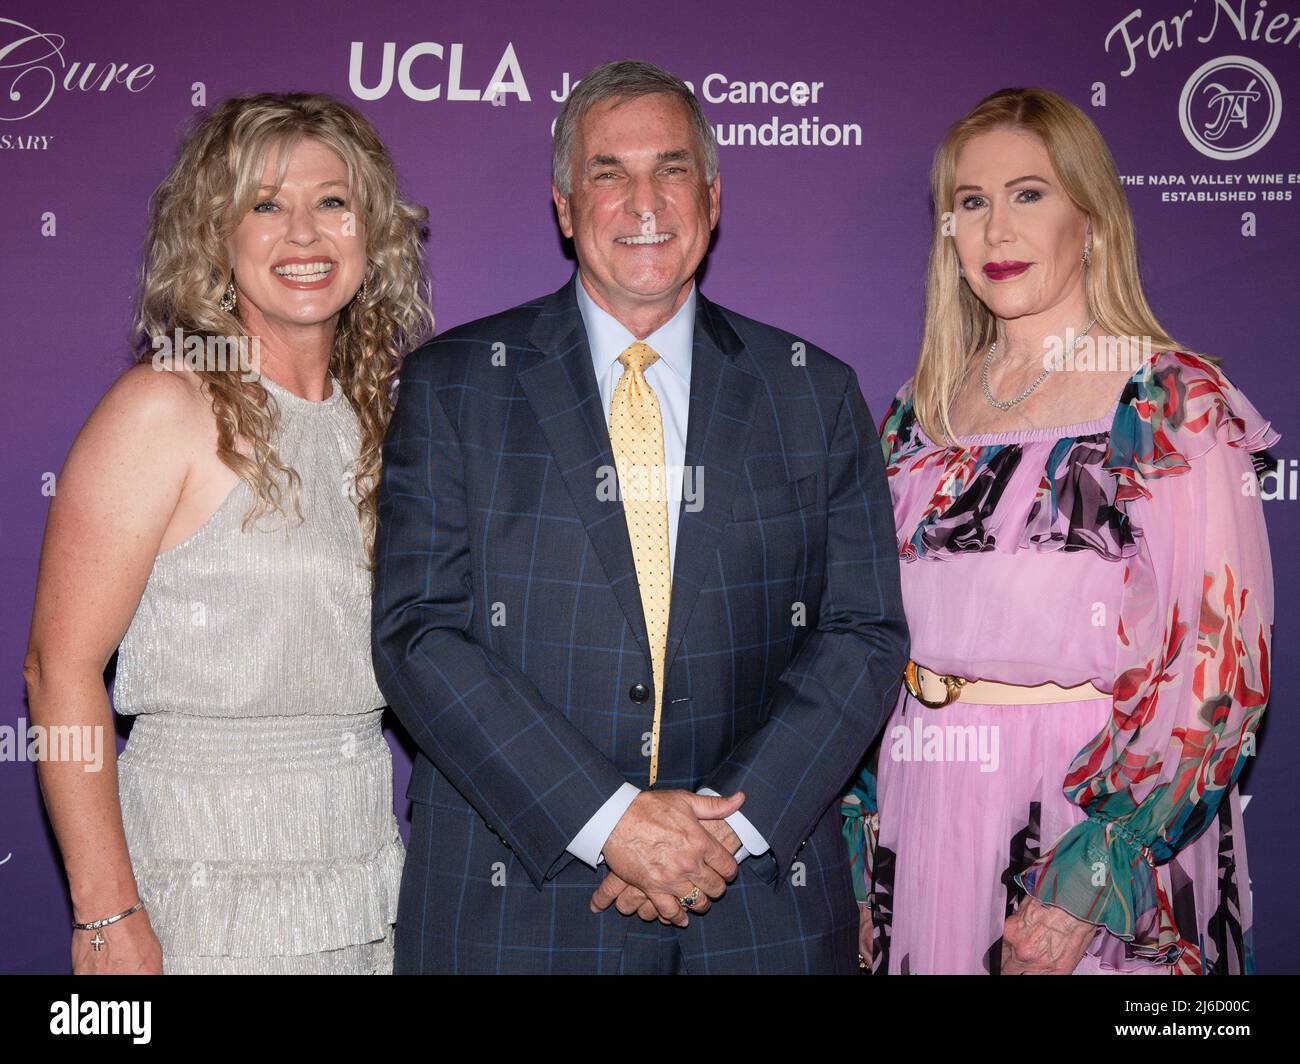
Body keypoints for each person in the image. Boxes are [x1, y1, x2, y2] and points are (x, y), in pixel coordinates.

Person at [372, 59, 908, 974]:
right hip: (517, 898)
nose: (644, 201)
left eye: (670, 169)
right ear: (563, 205)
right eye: (608, 173)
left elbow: (861, 631)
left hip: (755, 901)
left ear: (712, 194)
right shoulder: (454, 384)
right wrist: (609, 819)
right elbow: (419, 633)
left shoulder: (811, 392)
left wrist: (721, 837)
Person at [843, 87, 1275, 975]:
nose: (997, 230)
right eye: (971, 202)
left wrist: (1095, 874)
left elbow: (1217, 670)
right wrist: (861, 848)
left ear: (1092, 216)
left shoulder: (1166, 399)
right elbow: (861, 637)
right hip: (924, 799)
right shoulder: (913, 417)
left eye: (1028, 193)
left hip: (1082, 819)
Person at [24, 92, 433, 973]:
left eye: (332, 201)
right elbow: (57, 672)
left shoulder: (382, 425)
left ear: (372, 231)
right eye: (265, 204)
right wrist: (104, 912)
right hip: (195, 891)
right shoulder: (165, 405)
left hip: (360, 878)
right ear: (216, 233)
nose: (304, 234)